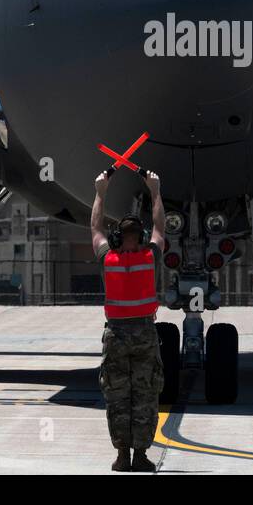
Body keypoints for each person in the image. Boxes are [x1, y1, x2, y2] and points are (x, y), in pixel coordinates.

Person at [91, 167, 166, 472]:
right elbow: (160, 227)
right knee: (135, 396)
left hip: (121, 336)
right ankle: (131, 454)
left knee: (130, 395)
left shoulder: (110, 258)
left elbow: (95, 229)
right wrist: (155, 192)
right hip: (139, 334)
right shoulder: (149, 257)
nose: (135, 238)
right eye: (134, 234)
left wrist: (100, 193)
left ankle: (132, 454)